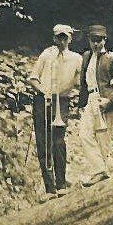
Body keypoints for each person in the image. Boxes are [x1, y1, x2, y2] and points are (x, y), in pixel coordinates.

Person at [28, 23, 82, 201]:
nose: (61, 40)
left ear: (70, 39)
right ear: (54, 38)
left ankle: (61, 185)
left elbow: (81, 81)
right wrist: (44, 91)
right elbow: (33, 78)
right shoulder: (47, 54)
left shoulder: (76, 58)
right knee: (44, 143)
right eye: (58, 37)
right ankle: (49, 188)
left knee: (58, 142)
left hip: (62, 101)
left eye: (64, 37)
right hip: (42, 100)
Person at [77, 24, 113, 187]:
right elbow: (84, 82)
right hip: (91, 98)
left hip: (106, 101)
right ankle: (100, 170)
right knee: (84, 134)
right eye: (93, 40)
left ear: (105, 40)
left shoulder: (112, 58)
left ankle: (103, 174)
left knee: (104, 138)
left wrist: (112, 101)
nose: (96, 44)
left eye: (99, 40)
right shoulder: (87, 56)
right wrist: (81, 103)